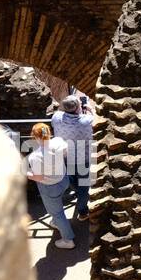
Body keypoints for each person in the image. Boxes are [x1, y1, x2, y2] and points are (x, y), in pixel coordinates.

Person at [27, 123, 75, 249]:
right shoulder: (59, 141)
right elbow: (67, 151)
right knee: (57, 207)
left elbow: (39, 177)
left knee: (58, 213)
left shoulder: (35, 156)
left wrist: (28, 174)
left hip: (50, 187)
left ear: (34, 137)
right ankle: (55, 221)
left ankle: (68, 240)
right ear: (49, 132)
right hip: (64, 180)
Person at [51, 93, 94, 223]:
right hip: (83, 157)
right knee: (84, 185)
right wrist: (91, 110)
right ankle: (82, 211)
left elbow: (59, 112)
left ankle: (77, 193)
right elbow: (96, 123)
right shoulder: (87, 120)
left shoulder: (56, 118)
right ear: (77, 108)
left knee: (72, 180)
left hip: (65, 155)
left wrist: (70, 106)